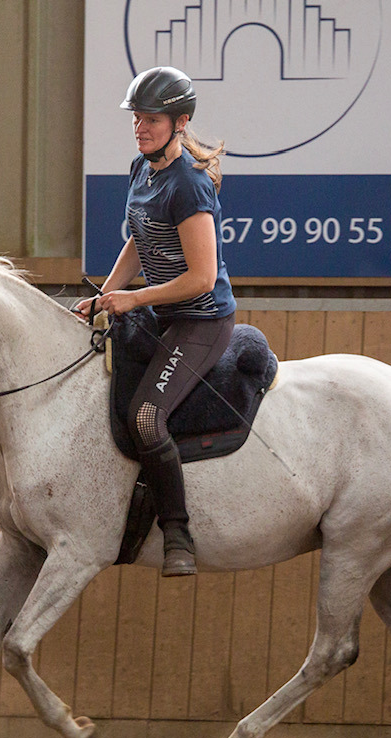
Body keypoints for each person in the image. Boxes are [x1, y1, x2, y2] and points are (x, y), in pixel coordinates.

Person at [75, 66, 236, 578]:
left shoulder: (187, 187)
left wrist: (134, 299)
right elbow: (139, 240)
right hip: (162, 314)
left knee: (146, 416)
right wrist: (107, 294)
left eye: (151, 120)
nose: (140, 128)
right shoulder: (140, 171)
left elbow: (202, 278)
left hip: (202, 322)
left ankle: (178, 534)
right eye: (136, 119)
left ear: (180, 122)